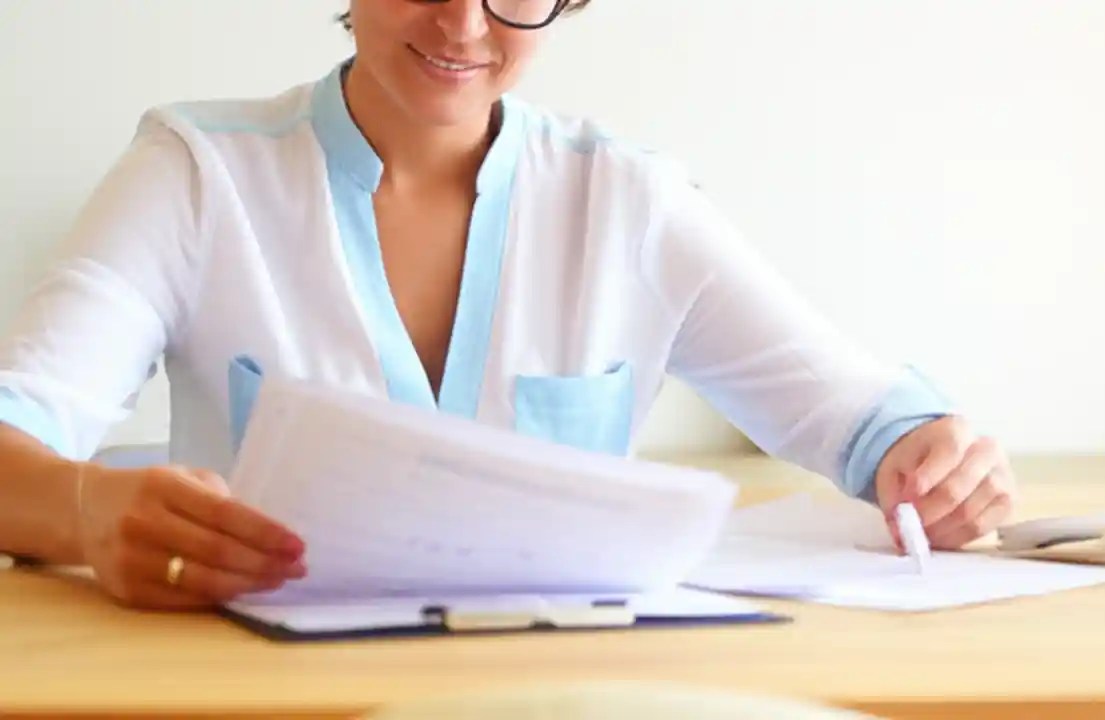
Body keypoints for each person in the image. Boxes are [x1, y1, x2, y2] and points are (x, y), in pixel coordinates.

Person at [0, 0, 1016, 610]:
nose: (462, 23)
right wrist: (86, 511)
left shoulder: (626, 201)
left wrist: (930, 457)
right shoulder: (194, 174)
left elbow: (866, 418)